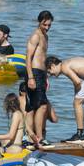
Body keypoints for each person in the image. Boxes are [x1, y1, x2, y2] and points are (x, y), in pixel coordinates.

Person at [24, 11, 53, 144]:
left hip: (41, 74)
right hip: (33, 73)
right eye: (44, 24)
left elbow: (44, 58)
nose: (47, 27)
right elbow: (28, 58)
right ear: (39, 22)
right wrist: (30, 77)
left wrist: (46, 76)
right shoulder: (35, 36)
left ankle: (34, 136)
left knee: (37, 106)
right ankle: (39, 137)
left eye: (49, 25)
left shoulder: (45, 36)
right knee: (41, 106)